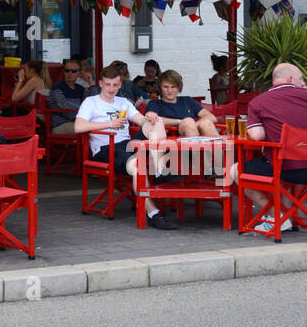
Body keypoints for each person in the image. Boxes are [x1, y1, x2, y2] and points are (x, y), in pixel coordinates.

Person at [225, 63, 307, 235]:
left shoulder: (258, 102)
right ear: (290, 79)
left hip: (286, 168)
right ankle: (285, 218)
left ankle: (277, 217)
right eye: (301, 78)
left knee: (235, 170)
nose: (303, 83)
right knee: (276, 171)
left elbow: (257, 136)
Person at [75, 66, 174, 229]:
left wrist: (149, 117)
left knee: (157, 122)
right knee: (137, 164)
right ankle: (153, 213)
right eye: (107, 85)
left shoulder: (123, 102)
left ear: (120, 84)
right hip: (105, 148)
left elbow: (141, 121)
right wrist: (109, 124)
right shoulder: (91, 102)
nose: (111, 89)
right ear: (100, 83)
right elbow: (78, 127)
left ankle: (159, 169)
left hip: (126, 145)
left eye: (115, 85)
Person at [148, 70, 218, 137]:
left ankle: (218, 149)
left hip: (193, 133)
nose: (169, 90)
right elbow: (152, 120)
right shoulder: (154, 103)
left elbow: (211, 117)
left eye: (173, 87)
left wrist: (193, 125)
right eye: (165, 87)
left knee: (206, 123)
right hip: (170, 138)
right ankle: (195, 148)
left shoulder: (187, 100)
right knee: (188, 121)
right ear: (160, 88)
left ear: (179, 87)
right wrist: (180, 122)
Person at [46, 58, 90, 133]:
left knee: (100, 127)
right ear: (64, 72)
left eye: (74, 71)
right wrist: (82, 112)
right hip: (60, 124)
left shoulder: (81, 89)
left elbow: (90, 104)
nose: (70, 73)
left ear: (79, 74)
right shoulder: (57, 87)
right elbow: (64, 105)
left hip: (78, 121)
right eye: (67, 70)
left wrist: (90, 81)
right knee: (91, 129)